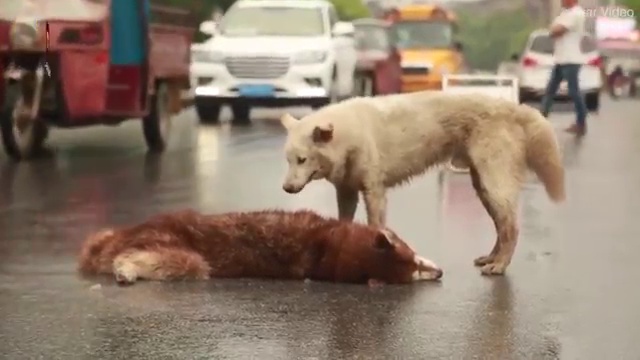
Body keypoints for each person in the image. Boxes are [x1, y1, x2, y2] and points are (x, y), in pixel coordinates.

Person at [541, 0, 587, 135]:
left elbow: (556, 31)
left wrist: (553, 29)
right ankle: (541, 120)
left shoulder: (576, 13)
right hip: (561, 59)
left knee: (574, 92)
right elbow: (552, 29)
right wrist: (553, 29)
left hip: (571, 59)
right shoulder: (565, 14)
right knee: (550, 90)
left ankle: (581, 123)